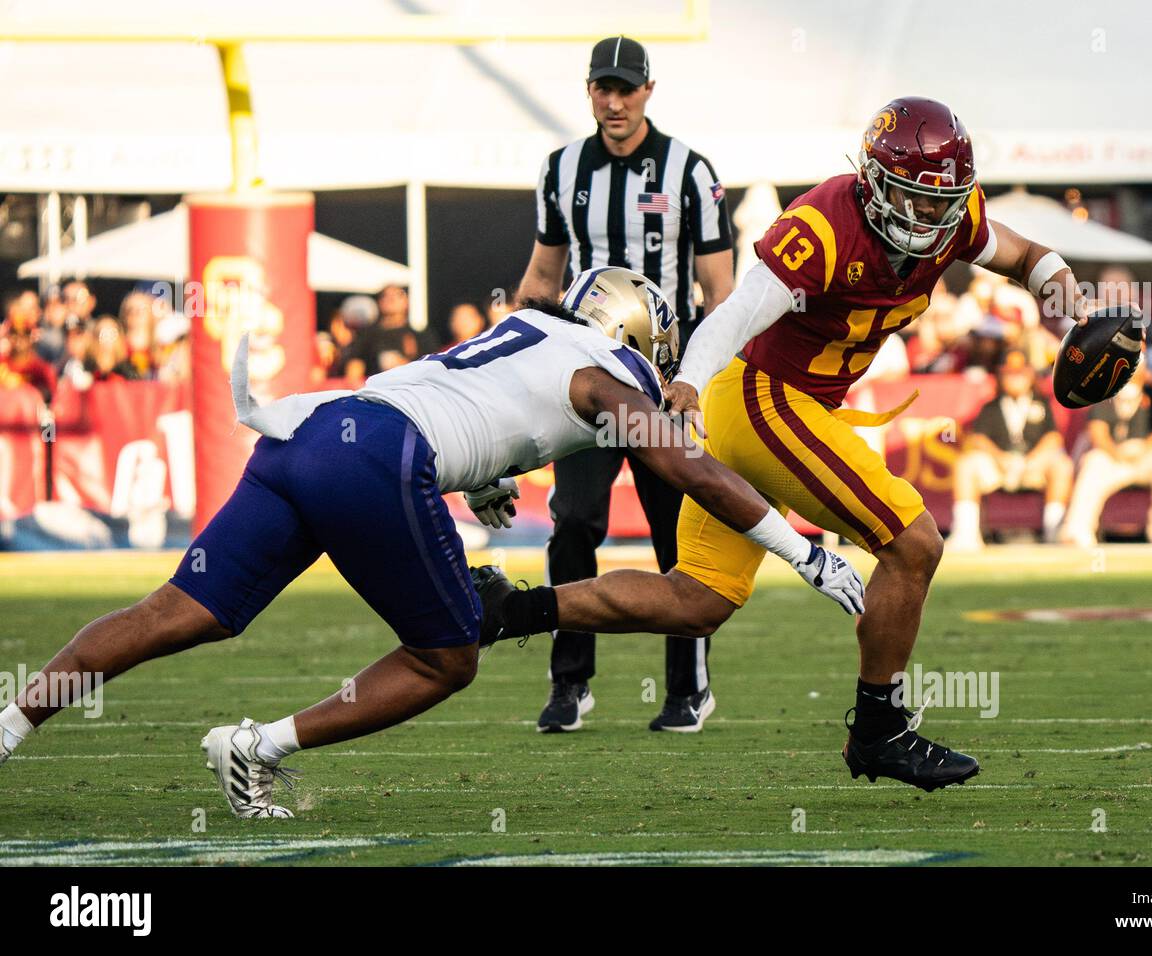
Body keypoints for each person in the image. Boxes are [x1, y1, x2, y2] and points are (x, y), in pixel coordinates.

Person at [0, 268, 863, 819]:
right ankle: (257, 747)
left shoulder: (525, 329)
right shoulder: (612, 371)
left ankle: (8, 727)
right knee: (448, 656)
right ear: (642, 335)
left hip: (310, 429)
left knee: (175, 613)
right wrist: (806, 553)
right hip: (376, 458)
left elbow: (455, 400)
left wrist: (482, 474)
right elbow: (699, 476)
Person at [483, 97, 1093, 792]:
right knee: (914, 542)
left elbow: (1027, 257)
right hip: (763, 398)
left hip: (794, 404)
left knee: (696, 600)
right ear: (875, 184)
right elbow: (735, 313)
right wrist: (684, 383)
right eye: (917, 201)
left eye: (942, 203)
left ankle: (510, 609)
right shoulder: (824, 226)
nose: (931, 219)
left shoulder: (952, 214)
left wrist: (1076, 302)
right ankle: (880, 731)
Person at [515, 35, 735, 733]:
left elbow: (719, 291)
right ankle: (570, 680)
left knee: (679, 538)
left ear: (648, 90)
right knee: (574, 521)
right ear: (589, 91)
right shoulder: (562, 169)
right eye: (601, 88)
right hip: (584, 380)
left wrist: (696, 379)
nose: (613, 101)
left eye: (625, 88)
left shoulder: (689, 172)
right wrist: (516, 355)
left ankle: (687, 688)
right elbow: (542, 279)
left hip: (661, 384)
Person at [948, 349, 1073, 549]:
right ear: (1001, 376)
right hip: (1000, 467)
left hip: (1033, 467)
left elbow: (1053, 437)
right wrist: (999, 458)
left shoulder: (1042, 404)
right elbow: (978, 438)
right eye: (1010, 374)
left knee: (1062, 465)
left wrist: (1034, 459)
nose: (1015, 380)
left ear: (1030, 375)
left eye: (1020, 374)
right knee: (965, 465)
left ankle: (1054, 530)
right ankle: (966, 532)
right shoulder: (991, 407)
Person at [1061, 365, 1152, 549]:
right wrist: (1117, 454)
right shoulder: (1105, 393)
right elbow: (1097, 432)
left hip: (1145, 455)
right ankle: (1077, 531)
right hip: (1113, 456)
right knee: (1093, 462)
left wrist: (1144, 449)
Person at [341, 285, 419, 380]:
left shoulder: (419, 335)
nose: (391, 299)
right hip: (375, 390)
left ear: (406, 301)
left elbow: (428, 367)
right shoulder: (367, 334)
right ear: (379, 302)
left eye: (397, 295)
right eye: (385, 296)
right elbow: (355, 365)